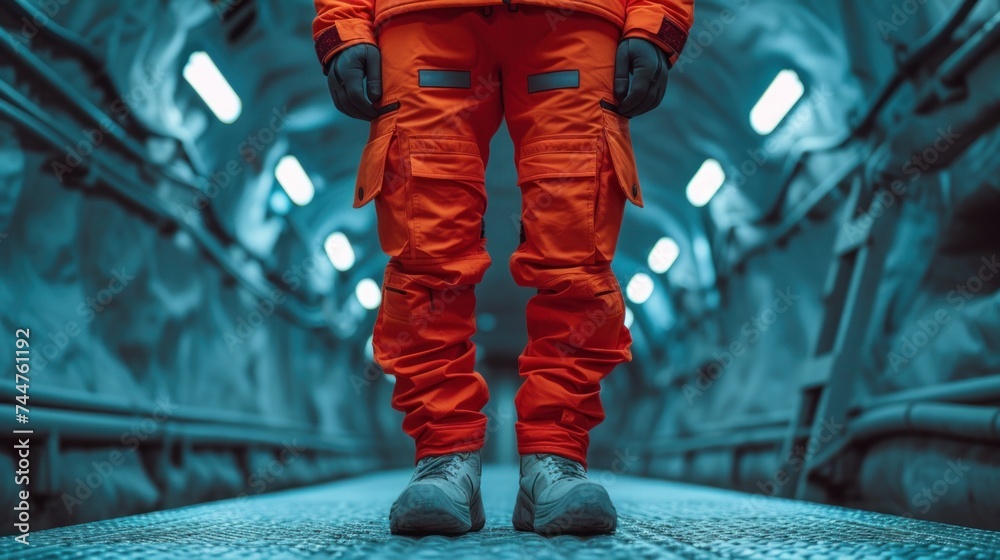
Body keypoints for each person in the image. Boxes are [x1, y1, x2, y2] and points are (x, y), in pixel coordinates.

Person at [313, 0, 693, 536]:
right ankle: (445, 459)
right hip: (422, 16)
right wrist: (344, 25)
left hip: (578, 16)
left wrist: (655, 20)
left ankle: (554, 460)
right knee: (427, 255)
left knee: (574, 252)